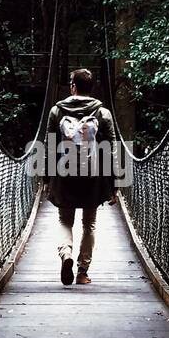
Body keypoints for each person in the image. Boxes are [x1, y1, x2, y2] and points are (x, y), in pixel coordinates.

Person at [45, 68, 119, 286]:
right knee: (90, 224)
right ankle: (82, 272)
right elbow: (112, 150)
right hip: (92, 176)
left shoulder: (56, 111)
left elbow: (49, 147)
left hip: (64, 173)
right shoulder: (102, 113)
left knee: (64, 220)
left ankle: (65, 255)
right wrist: (114, 184)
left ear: (73, 86)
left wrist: (47, 180)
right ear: (91, 87)